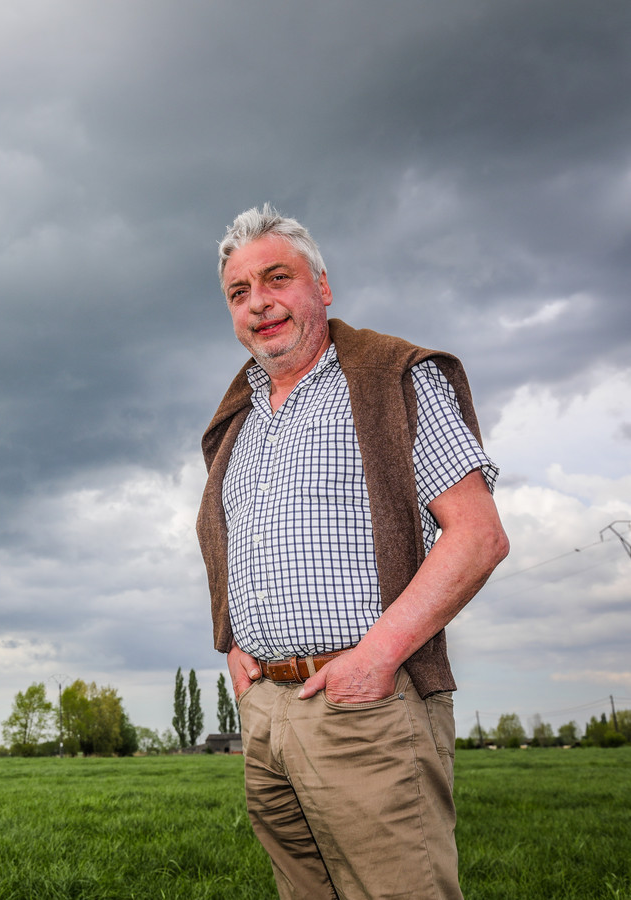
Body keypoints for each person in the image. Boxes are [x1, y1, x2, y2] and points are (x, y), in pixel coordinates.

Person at [195, 205, 509, 900]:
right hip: (267, 713)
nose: (259, 303)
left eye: (277, 278)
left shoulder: (391, 380)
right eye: (239, 293)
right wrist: (234, 651)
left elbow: (478, 535)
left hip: (366, 707)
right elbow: (231, 549)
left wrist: (373, 660)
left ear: (323, 287)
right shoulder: (238, 417)